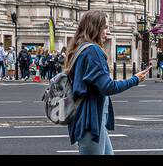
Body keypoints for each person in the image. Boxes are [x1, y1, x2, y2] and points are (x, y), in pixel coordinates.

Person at [62, 10, 150, 155]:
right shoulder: (93, 51)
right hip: (90, 121)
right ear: (95, 29)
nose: (107, 32)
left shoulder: (80, 49)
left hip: (89, 119)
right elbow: (107, 87)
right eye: (105, 27)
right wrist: (135, 79)